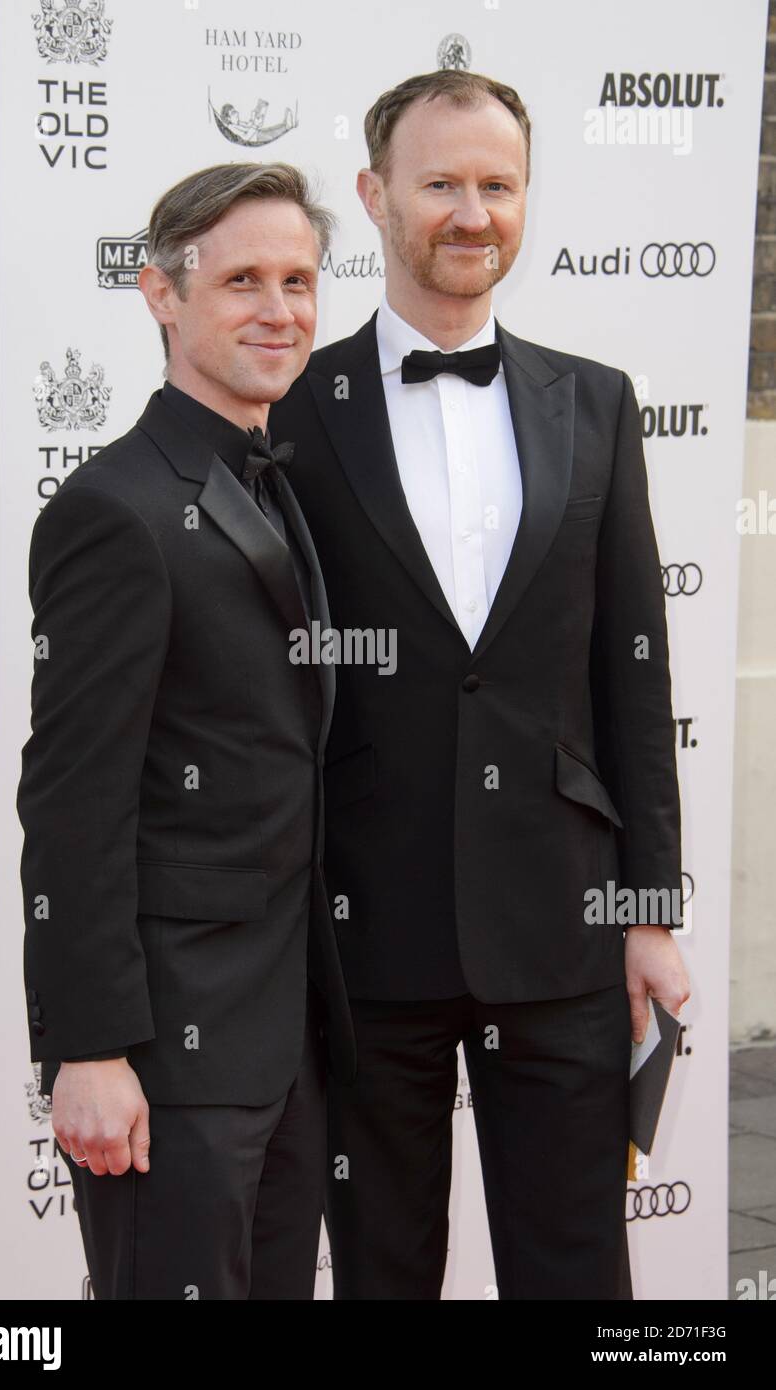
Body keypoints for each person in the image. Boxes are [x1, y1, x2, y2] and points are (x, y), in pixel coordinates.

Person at [269, 70, 690, 1300]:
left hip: (559, 920)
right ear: (373, 196)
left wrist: (648, 910)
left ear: (524, 201)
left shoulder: (595, 404)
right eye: (439, 183)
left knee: (573, 1271)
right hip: (359, 926)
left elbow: (632, 664)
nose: (470, 212)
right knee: (381, 1269)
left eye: (496, 185)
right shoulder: (292, 405)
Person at [17, 162, 354, 1300]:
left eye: (299, 279)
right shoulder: (113, 510)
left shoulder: (272, 479)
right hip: (168, 1053)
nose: (279, 309)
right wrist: (90, 1047)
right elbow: (72, 799)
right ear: (162, 295)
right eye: (242, 280)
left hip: (285, 1039)